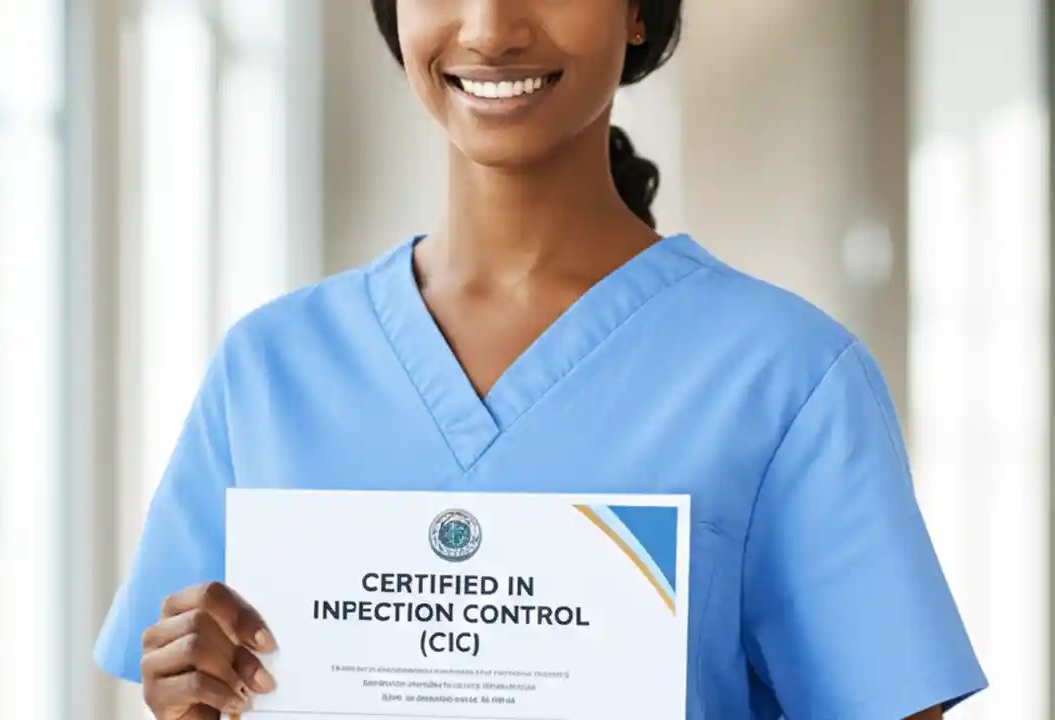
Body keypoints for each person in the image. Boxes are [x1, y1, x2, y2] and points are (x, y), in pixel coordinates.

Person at [94, 1, 988, 718]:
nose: (491, 28)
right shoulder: (270, 367)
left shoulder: (788, 377)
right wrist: (192, 699)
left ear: (638, 12)